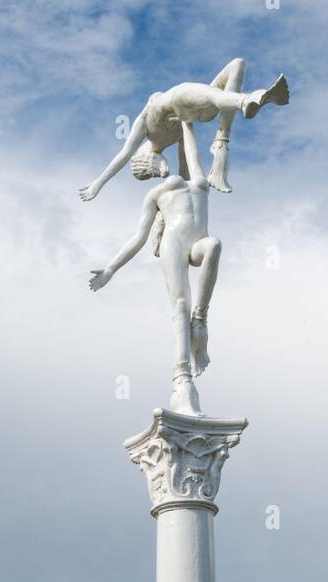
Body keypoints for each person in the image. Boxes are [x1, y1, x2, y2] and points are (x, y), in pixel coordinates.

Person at [89, 121, 221, 415]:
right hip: (173, 243)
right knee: (180, 307)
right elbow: (139, 238)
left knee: (213, 245)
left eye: (153, 159)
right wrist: (110, 269)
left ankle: (201, 320)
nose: (156, 164)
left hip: (197, 242)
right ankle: (182, 377)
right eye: (150, 164)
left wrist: (187, 121)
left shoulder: (197, 180)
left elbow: (191, 150)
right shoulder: (157, 195)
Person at [79, 59, 288, 200]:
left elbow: (125, 156)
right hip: (186, 103)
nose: (158, 172)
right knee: (221, 91)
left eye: (152, 172)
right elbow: (185, 162)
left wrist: (99, 183)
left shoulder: (151, 128)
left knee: (236, 66)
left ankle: (222, 138)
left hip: (190, 106)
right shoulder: (164, 132)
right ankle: (244, 104)